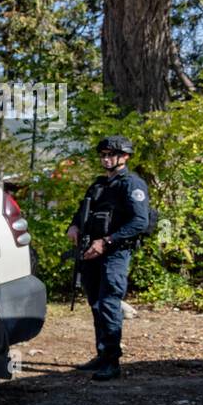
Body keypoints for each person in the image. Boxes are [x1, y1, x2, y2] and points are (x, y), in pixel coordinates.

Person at [67, 135, 151, 381]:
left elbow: (139, 221)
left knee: (108, 303)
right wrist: (73, 226)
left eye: (110, 155)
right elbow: (82, 210)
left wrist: (107, 241)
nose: (105, 159)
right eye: (102, 155)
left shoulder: (132, 184)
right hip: (91, 250)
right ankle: (102, 354)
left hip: (115, 252)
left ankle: (112, 362)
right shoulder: (98, 184)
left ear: (124, 157)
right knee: (95, 303)